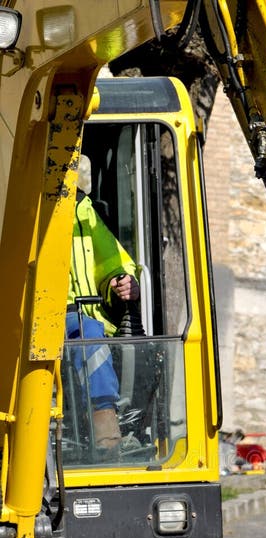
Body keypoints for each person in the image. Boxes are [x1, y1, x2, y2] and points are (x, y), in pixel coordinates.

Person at [67, 156, 141, 451]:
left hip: (85, 315)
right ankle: (107, 434)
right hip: (47, 316)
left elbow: (114, 261)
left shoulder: (84, 212)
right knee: (90, 337)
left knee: (92, 334)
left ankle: (109, 425)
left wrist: (122, 282)